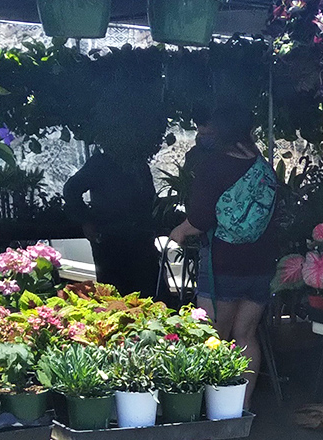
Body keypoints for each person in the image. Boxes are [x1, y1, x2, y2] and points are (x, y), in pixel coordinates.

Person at [169, 104, 277, 405]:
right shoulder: (262, 165)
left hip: (223, 265)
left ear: (220, 131)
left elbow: (200, 220)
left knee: (212, 336)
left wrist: (179, 232)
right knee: (245, 334)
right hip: (261, 266)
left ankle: (210, 408)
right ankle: (240, 405)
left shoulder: (213, 166)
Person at [63, 144, 159, 297]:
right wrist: (86, 221)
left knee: (148, 292)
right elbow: (71, 190)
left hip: (140, 240)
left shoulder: (139, 164)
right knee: (115, 293)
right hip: (110, 240)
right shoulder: (100, 163)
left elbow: (149, 198)